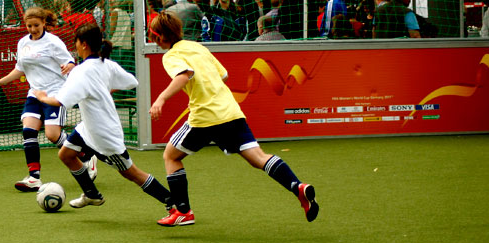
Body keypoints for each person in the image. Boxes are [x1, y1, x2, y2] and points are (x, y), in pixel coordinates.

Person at [147, 11, 319, 226]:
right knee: (258, 157)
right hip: (230, 111)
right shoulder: (197, 47)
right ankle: (297, 186)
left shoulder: (171, 56)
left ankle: (183, 212)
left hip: (205, 116)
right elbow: (224, 75)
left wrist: (161, 99)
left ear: (160, 37)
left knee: (171, 156)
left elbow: (184, 75)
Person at [32, 23, 174, 222]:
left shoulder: (81, 71)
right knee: (66, 154)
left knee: (132, 173)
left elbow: (60, 101)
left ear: (83, 44)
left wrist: (41, 96)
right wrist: (104, 90)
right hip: (88, 127)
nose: (75, 46)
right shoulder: (106, 64)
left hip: (103, 133)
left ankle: (172, 203)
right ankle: (92, 194)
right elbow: (131, 81)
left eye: (76, 42)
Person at [0, 7, 96, 192]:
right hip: (34, 94)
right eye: (29, 26)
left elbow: (70, 61)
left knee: (52, 135)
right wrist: (1, 81)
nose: (33, 29)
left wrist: (69, 66)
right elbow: (20, 68)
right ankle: (34, 177)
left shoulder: (53, 42)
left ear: (43, 23)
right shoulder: (23, 43)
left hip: (55, 94)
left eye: (36, 25)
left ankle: (86, 156)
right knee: (28, 131)